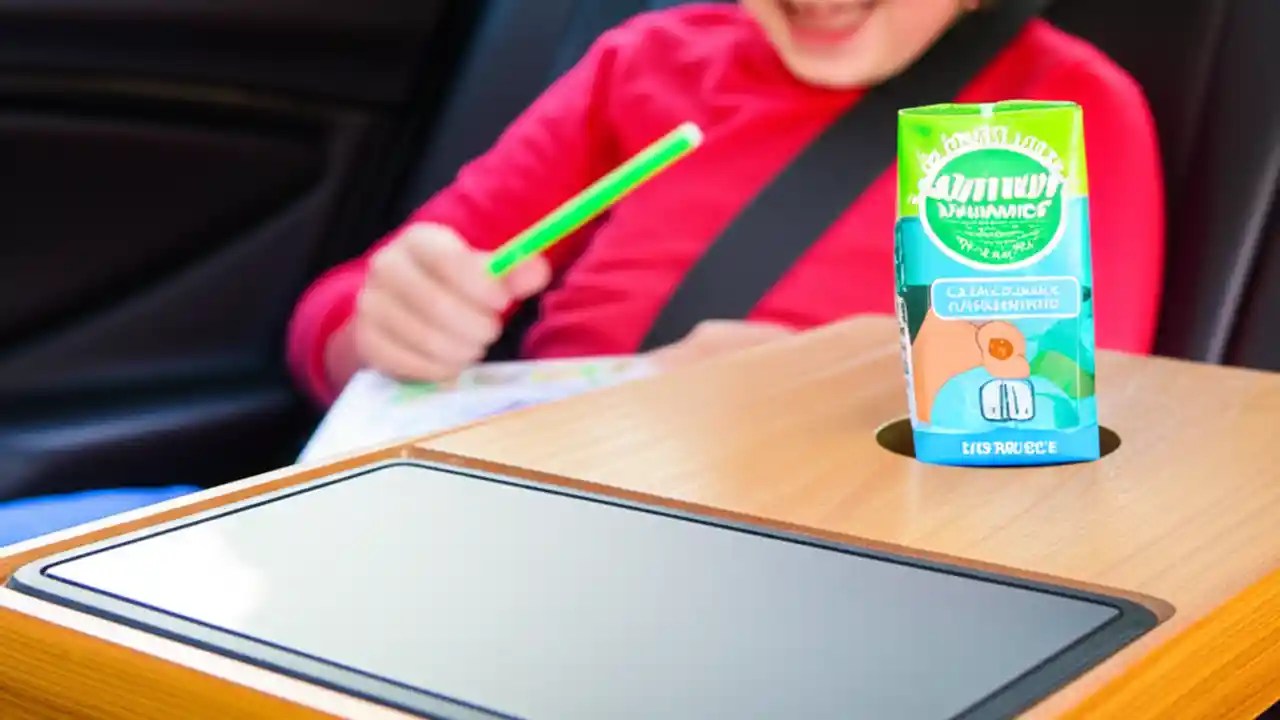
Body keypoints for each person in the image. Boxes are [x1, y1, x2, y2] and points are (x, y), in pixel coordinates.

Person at [288, 0, 1163, 408]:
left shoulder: (1063, 109)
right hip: (532, 491)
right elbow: (342, 314)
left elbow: (1059, 407)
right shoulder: (644, 63)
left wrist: (809, 407)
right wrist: (383, 329)